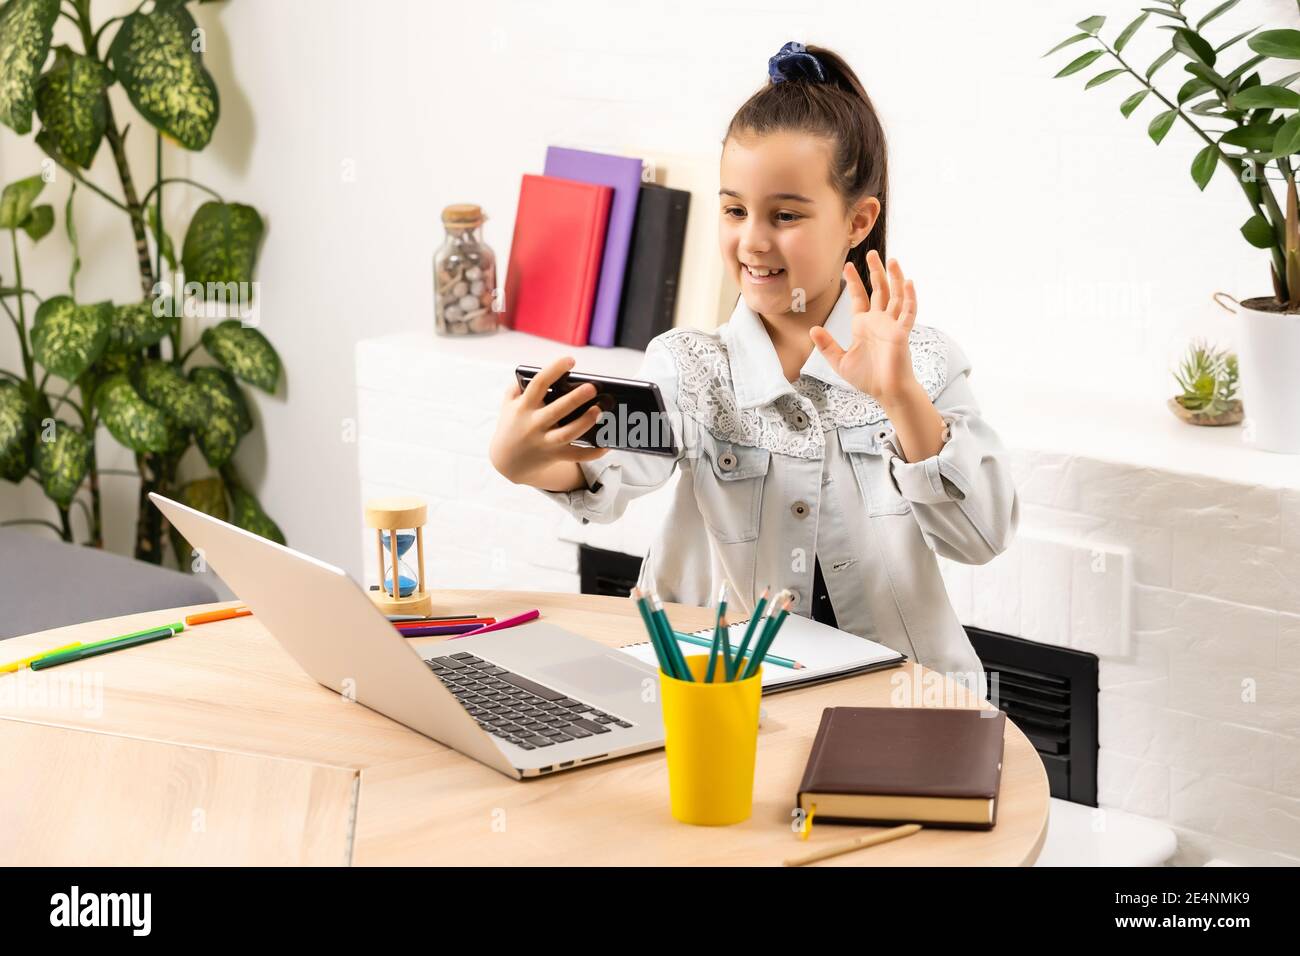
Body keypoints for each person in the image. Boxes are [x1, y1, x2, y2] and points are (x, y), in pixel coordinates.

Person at [489, 41, 1018, 699]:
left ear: (858, 220)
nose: (753, 241)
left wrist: (901, 395)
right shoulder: (689, 367)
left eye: (786, 215)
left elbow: (982, 537)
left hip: (900, 702)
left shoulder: (926, 361)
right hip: (728, 700)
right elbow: (611, 472)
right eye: (735, 210)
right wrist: (526, 460)